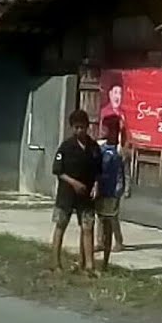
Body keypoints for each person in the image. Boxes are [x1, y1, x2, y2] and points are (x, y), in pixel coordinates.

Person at [51, 109, 101, 273]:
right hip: (66, 194)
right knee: (61, 226)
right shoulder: (66, 147)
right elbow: (57, 170)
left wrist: (96, 185)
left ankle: (88, 265)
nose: (80, 130)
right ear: (72, 128)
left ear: (87, 127)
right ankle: (56, 263)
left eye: (82, 127)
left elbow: (98, 171)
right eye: (76, 127)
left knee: (87, 228)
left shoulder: (94, 148)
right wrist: (74, 183)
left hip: (86, 196)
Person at [95, 117, 127, 269]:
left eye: (106, 129)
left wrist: (122, 189)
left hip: (114, 188)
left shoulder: (119, 149)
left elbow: (123, 171)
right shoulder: (100, 147)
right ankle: (100, 241)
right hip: (102, 186)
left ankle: (119, 241)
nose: (103, 131)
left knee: (112, 216)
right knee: (100, 216)